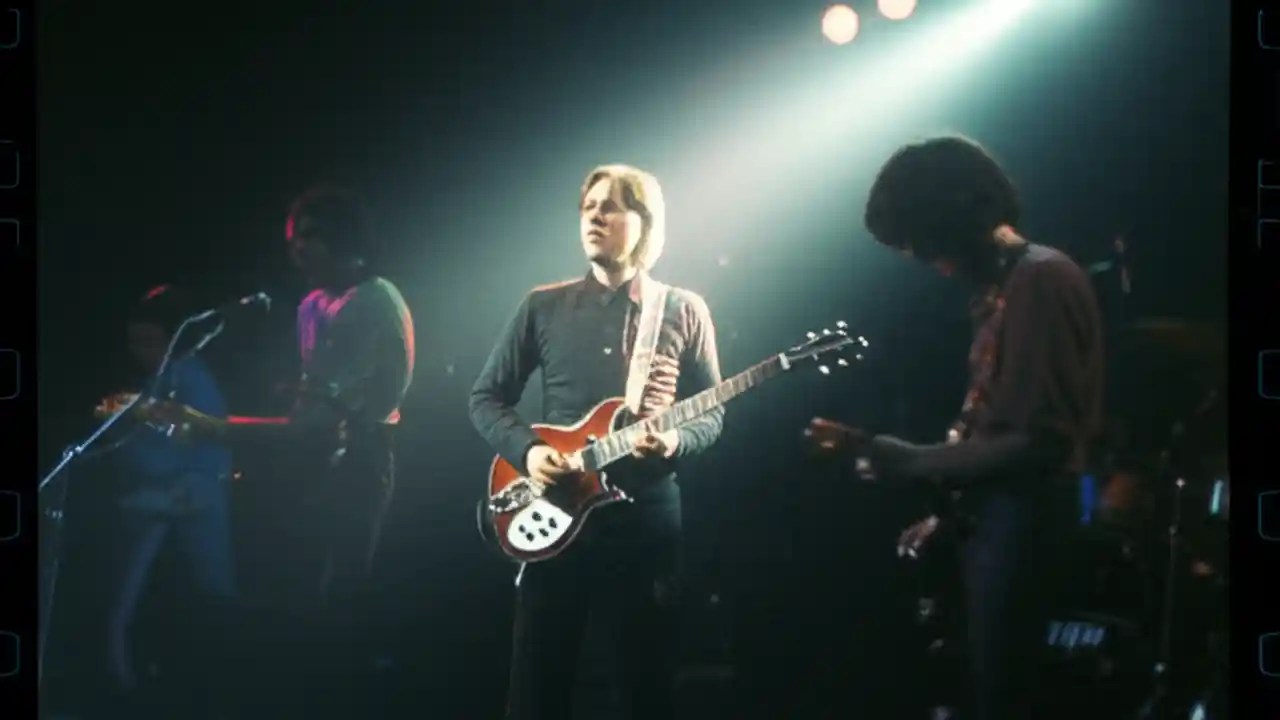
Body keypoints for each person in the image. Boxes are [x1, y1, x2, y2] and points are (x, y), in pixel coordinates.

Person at [806, 136, 1104, 720]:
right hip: (999, 527)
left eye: (920, 237)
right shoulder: (1002, 291)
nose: (919, 256)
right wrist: (948, 514)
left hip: (1026, 533)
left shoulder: (1043, 279)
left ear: (954, 215)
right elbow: (994, 423)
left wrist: (906, 459)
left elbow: (1036, 441)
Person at [470, 163, 725, 719]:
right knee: (538, 683)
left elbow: (714, 411)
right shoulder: (543, 306)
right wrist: (530, 452)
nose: (595, 216)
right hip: (557, 513)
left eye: (611, 206)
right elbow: (485, 398)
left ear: (645, 221)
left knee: (644, 684)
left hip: (646, 522)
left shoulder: (682, 309)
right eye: (588, 207)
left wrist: (677, 442)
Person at [225, 185, 415, 702]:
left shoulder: (375, 300)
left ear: (342, 238)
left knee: (344, 589)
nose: (297, 249)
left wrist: (210, 425)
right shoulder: (309, 306)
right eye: (292, 240)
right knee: (299, 584)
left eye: (308, 236)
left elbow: (352, 403)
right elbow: (314, 400)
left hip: (363, 456)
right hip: (313, 460)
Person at [101, 283, 236, 715]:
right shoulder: (152, 383)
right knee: (127, 612)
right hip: (153, 514)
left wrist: (152, 500)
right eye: (134, 342)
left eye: (151, 342)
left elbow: (208, 466)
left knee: (198, 612)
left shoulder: (195, 384)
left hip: (186, 516)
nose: (141, 351)